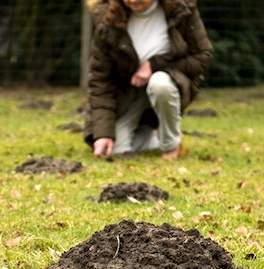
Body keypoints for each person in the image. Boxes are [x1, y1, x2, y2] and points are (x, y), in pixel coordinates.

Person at [84, 0, 213, 160]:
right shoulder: (107, 20)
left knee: (160, 82)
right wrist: (103, 134)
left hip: (170, 84)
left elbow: (202, 56)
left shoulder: (182, 10)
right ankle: (151, 134)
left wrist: (154, 66)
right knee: (116, 149)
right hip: (130, 93)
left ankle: (170, 144)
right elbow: (100, 80)